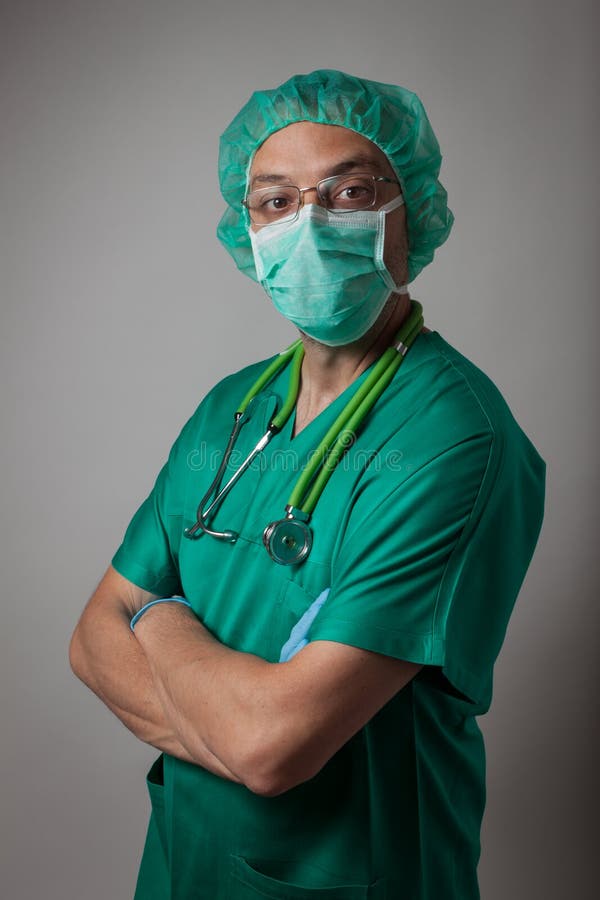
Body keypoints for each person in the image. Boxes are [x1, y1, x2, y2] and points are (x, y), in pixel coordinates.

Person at [69, 69, 545, 900]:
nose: (310, 223)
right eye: (276, 202)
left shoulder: (455, 439)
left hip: (356, 872)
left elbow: (270, 747)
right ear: (246, 227)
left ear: (410, 214)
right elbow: (88, 642)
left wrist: (155, 616)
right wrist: (242, 730)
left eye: (350, 191)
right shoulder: (232, 409)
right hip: (189, 862)